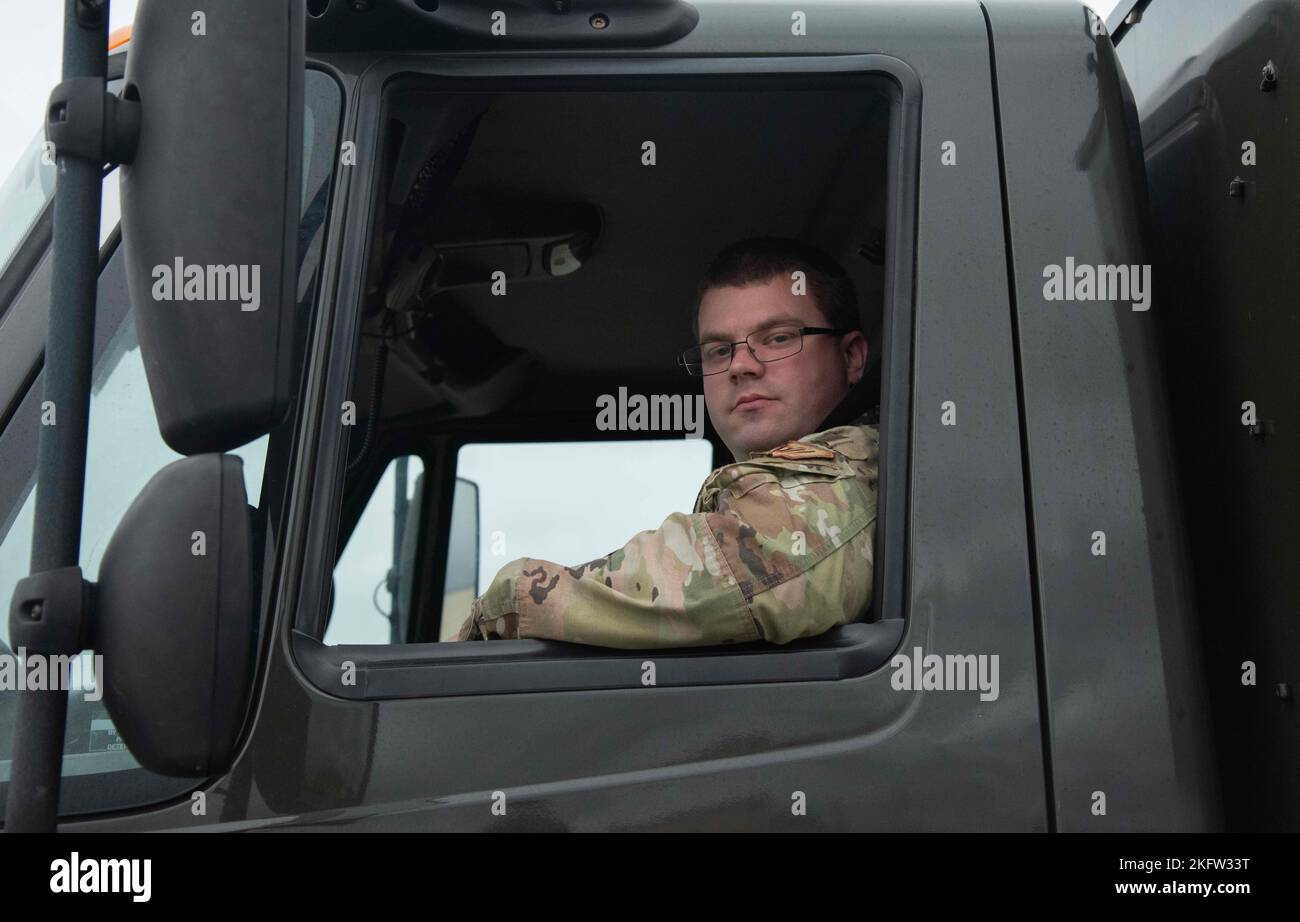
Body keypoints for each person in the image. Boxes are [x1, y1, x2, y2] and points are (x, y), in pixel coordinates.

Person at [456, 237, 879, 648]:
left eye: (779, 338)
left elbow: (715, 580)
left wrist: (500, 609)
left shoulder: (841, 482)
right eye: (718, 350)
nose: (741, 365)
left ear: (852, 357)